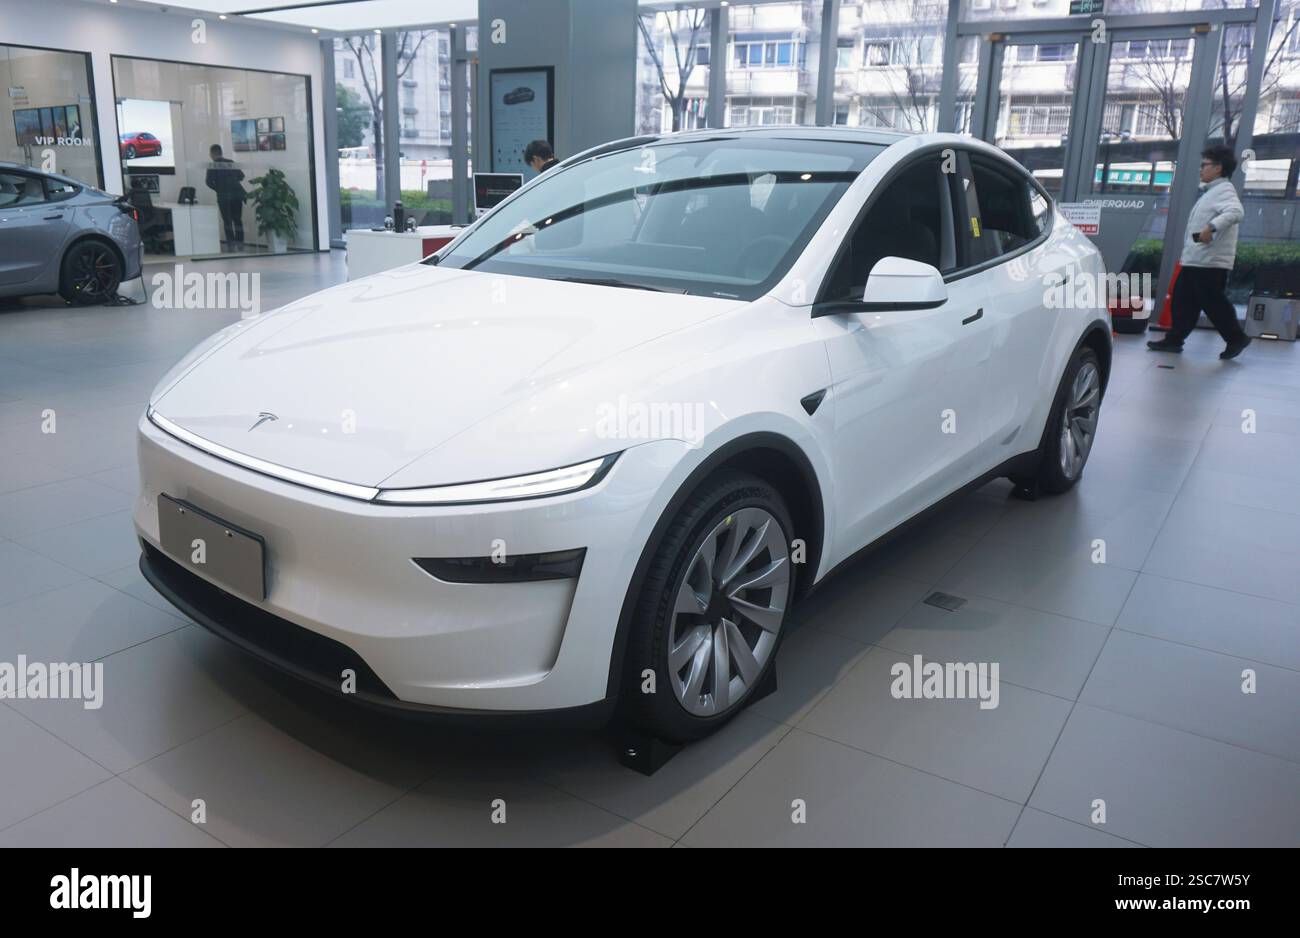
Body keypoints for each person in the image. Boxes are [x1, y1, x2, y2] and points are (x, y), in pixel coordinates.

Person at [1148, 144, 1250, 360]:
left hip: (1210, 261)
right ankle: (1175, 340)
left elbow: (1236, 212)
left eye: (1205, 165)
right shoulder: (1213, 191)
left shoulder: (1224, 190)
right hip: (1198, 259)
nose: (1200, 169)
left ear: (1218, 168)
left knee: (1213, 303)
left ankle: (1236, 338)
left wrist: (1211, 227)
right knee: (1183, 301)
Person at [205, 144, 247, 252]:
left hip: (223, 197)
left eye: (210, 153)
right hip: (237, 195)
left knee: (227, 221)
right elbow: (241, 176)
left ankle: (231, 245)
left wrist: (219, 188)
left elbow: (208, 182)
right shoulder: (230, 162)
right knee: (238, 220)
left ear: (213, 154)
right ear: (221, 152)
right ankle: (240, 244)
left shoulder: (213, 165)